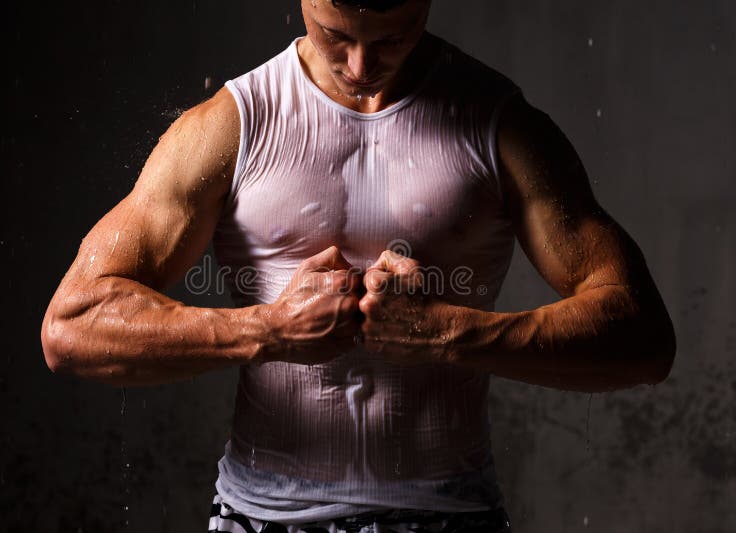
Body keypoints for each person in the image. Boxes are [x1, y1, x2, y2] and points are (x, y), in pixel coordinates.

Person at [41, 0, 676, 531]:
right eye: (336, 34)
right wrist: (267, 331)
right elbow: (72, 327)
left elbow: (643, 336)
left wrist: (453, 335)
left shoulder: (498, 125)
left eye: (393, 36)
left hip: (447, 512)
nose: (362, 65)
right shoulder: (232, 128)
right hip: (262, 514)